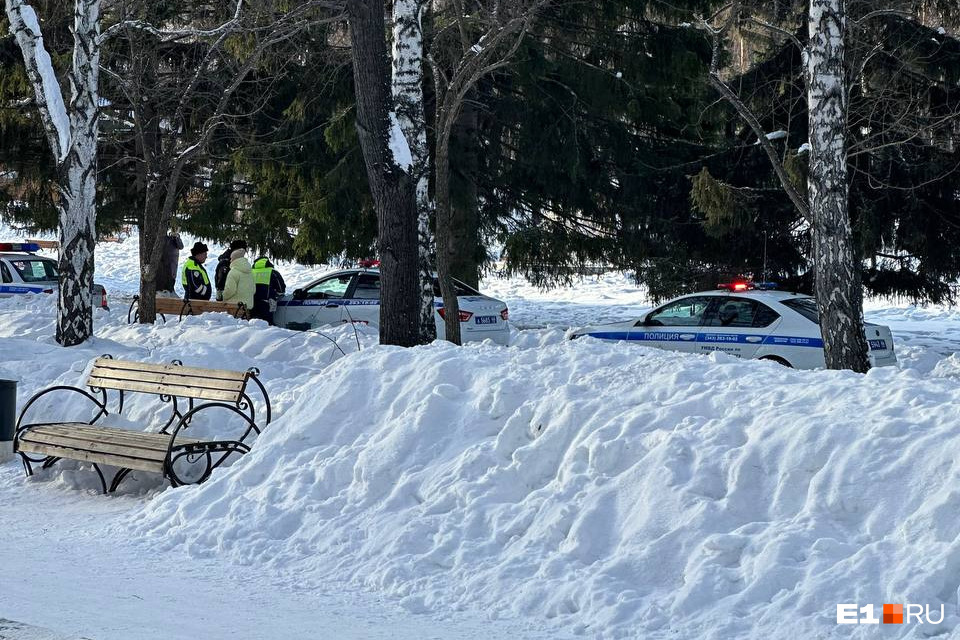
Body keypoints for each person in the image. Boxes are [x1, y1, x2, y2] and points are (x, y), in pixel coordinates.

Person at [251, 256, 286, 324]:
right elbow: (281, 290)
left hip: (251, 302)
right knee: (267, 324)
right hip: (267, 303)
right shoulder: (272, 272)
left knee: (252, 324)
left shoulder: (251, 272)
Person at [157, 230, 182, 294]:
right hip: (166, 266)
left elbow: (181, 246)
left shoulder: (175, 239)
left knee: (171, 278)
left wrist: (176, 237)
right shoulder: (165, 239)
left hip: (172, 266)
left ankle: (170, 290)